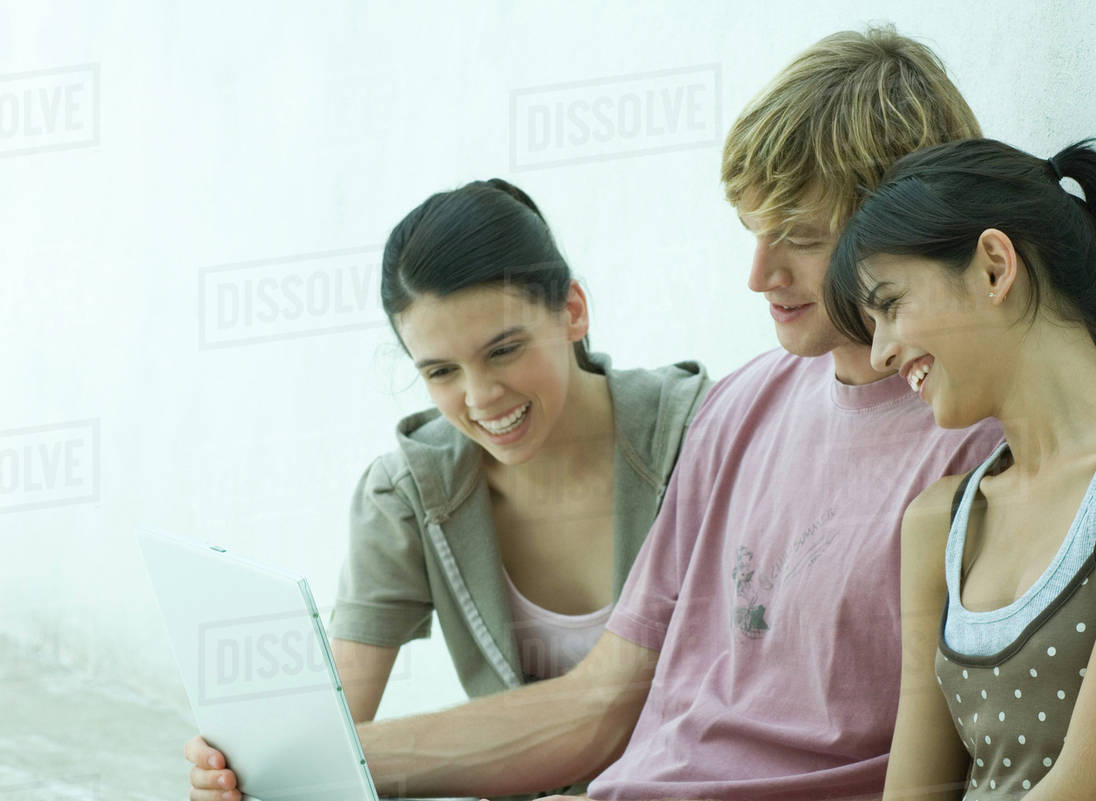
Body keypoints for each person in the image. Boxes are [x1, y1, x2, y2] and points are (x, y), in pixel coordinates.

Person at [186, 26, 1002, 801]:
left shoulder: (981, 440)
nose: (758, 275)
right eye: (753, 232)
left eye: (798, 237)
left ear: (899, 227)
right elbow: (603, 702)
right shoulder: (743, 407)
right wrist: (294, 763)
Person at [186, 177, 709, 798]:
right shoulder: (411, 493)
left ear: (572, 310)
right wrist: (247, 771)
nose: (481, 397)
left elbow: (627, 714)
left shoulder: (702, 441)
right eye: (441, 371)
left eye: (505, 350)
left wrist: (318, 757)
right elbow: (332, 726)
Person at [823, 137, 1096, 801]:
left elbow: (1091, 787)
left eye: (889, 305)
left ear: (995, 267)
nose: (880, 352)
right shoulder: (939, 521)